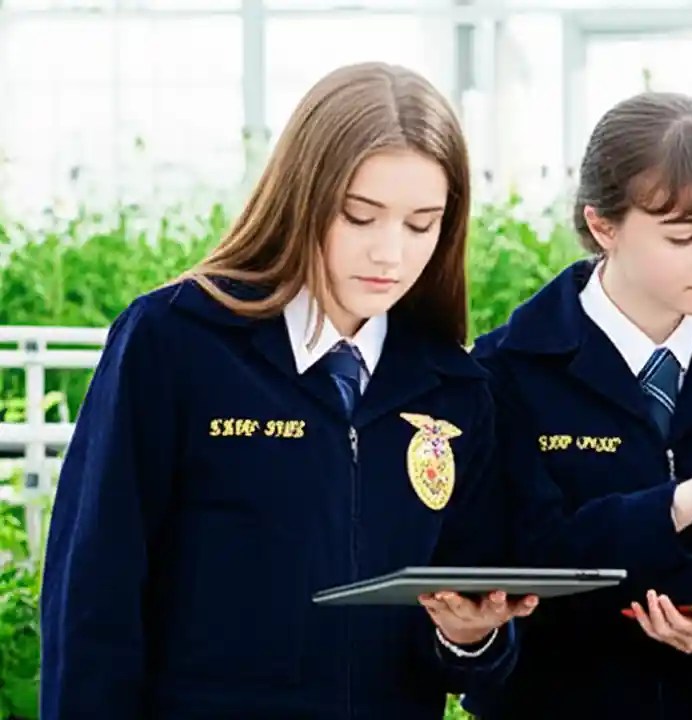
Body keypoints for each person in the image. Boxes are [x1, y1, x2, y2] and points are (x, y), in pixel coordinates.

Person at [39, 62, 537, 720]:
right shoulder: (175, 343)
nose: (391, 253)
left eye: (422, 225)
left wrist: (469, 637)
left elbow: (458, 635)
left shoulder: (452, 389)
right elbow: (93, 594)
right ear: (303, 197)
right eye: (361, 217)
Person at [464, 91, 692, 719]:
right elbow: (519, 562)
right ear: (602, 226)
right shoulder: (508, 373)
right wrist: (684, 500)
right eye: (682, 235)